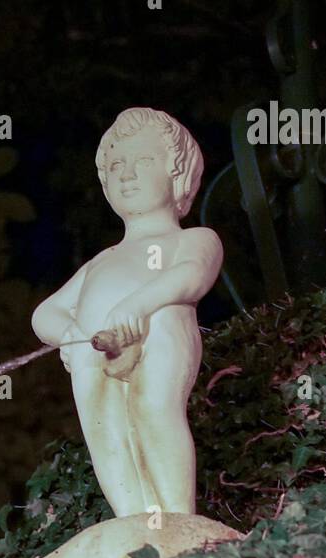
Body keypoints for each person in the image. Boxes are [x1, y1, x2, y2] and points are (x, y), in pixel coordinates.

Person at [31, 108, 223, 517]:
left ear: (178, 174)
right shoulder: (103, 260)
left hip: (159, 334)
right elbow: (44, 313)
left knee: (155, 410)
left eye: (144, 161)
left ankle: (176, 518)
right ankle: (132, 521)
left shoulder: (191, 239)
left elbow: (192, 276)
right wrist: (69, 334)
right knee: (106, 430)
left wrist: (139, 304)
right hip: (95, 355)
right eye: (116, 165)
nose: (127, 173)